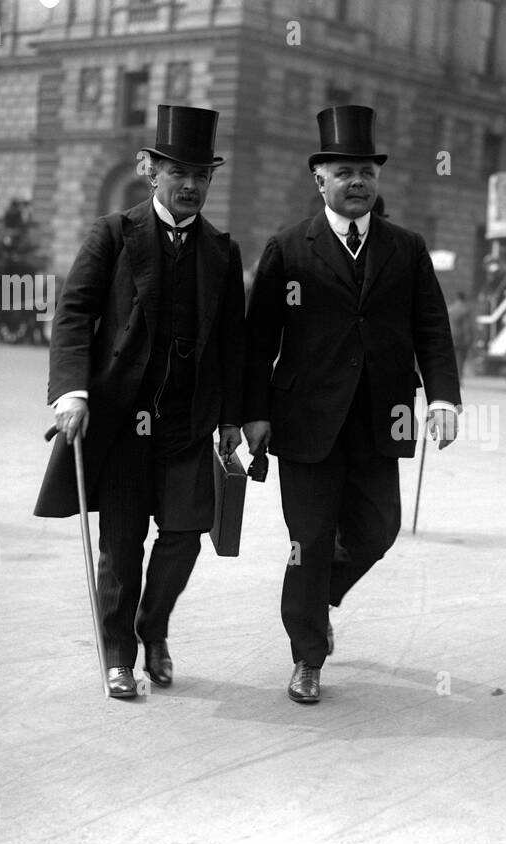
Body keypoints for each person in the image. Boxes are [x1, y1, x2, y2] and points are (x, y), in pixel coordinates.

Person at [243, 105, 461, 704]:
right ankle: (307, 657)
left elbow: (433, 329)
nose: (357, 181)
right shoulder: (288, 248)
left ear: (377, 177)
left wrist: (443, 397)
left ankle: (318, 595)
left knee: (379, 531)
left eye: (366, 170)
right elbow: (258, 340)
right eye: (344, 172)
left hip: (380, 418)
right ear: (320, 180)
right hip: (306, 422)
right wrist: (254, 412)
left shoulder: (407, 249)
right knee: (307, 541)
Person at [33, 104, 247, 699]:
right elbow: (74, 314)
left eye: (202, 174)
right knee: (121, 549)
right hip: (124, 423)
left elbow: (233, 344)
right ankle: (119, 658)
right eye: (178, 171)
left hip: (187, 424)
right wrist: (71, 392)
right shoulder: (112, 234)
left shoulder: (222, 252)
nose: (190, 185)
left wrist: (231, 419)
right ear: (148, 169)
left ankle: (153, 629)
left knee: (185, 536)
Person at [449, 291, 476, 382]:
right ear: (464, 299)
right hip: (460, 338)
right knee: (460, 360)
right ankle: (458, 379)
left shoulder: (450, 309)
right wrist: (469, 339)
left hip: (450, 336)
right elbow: (467, 327)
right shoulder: (465, 310)